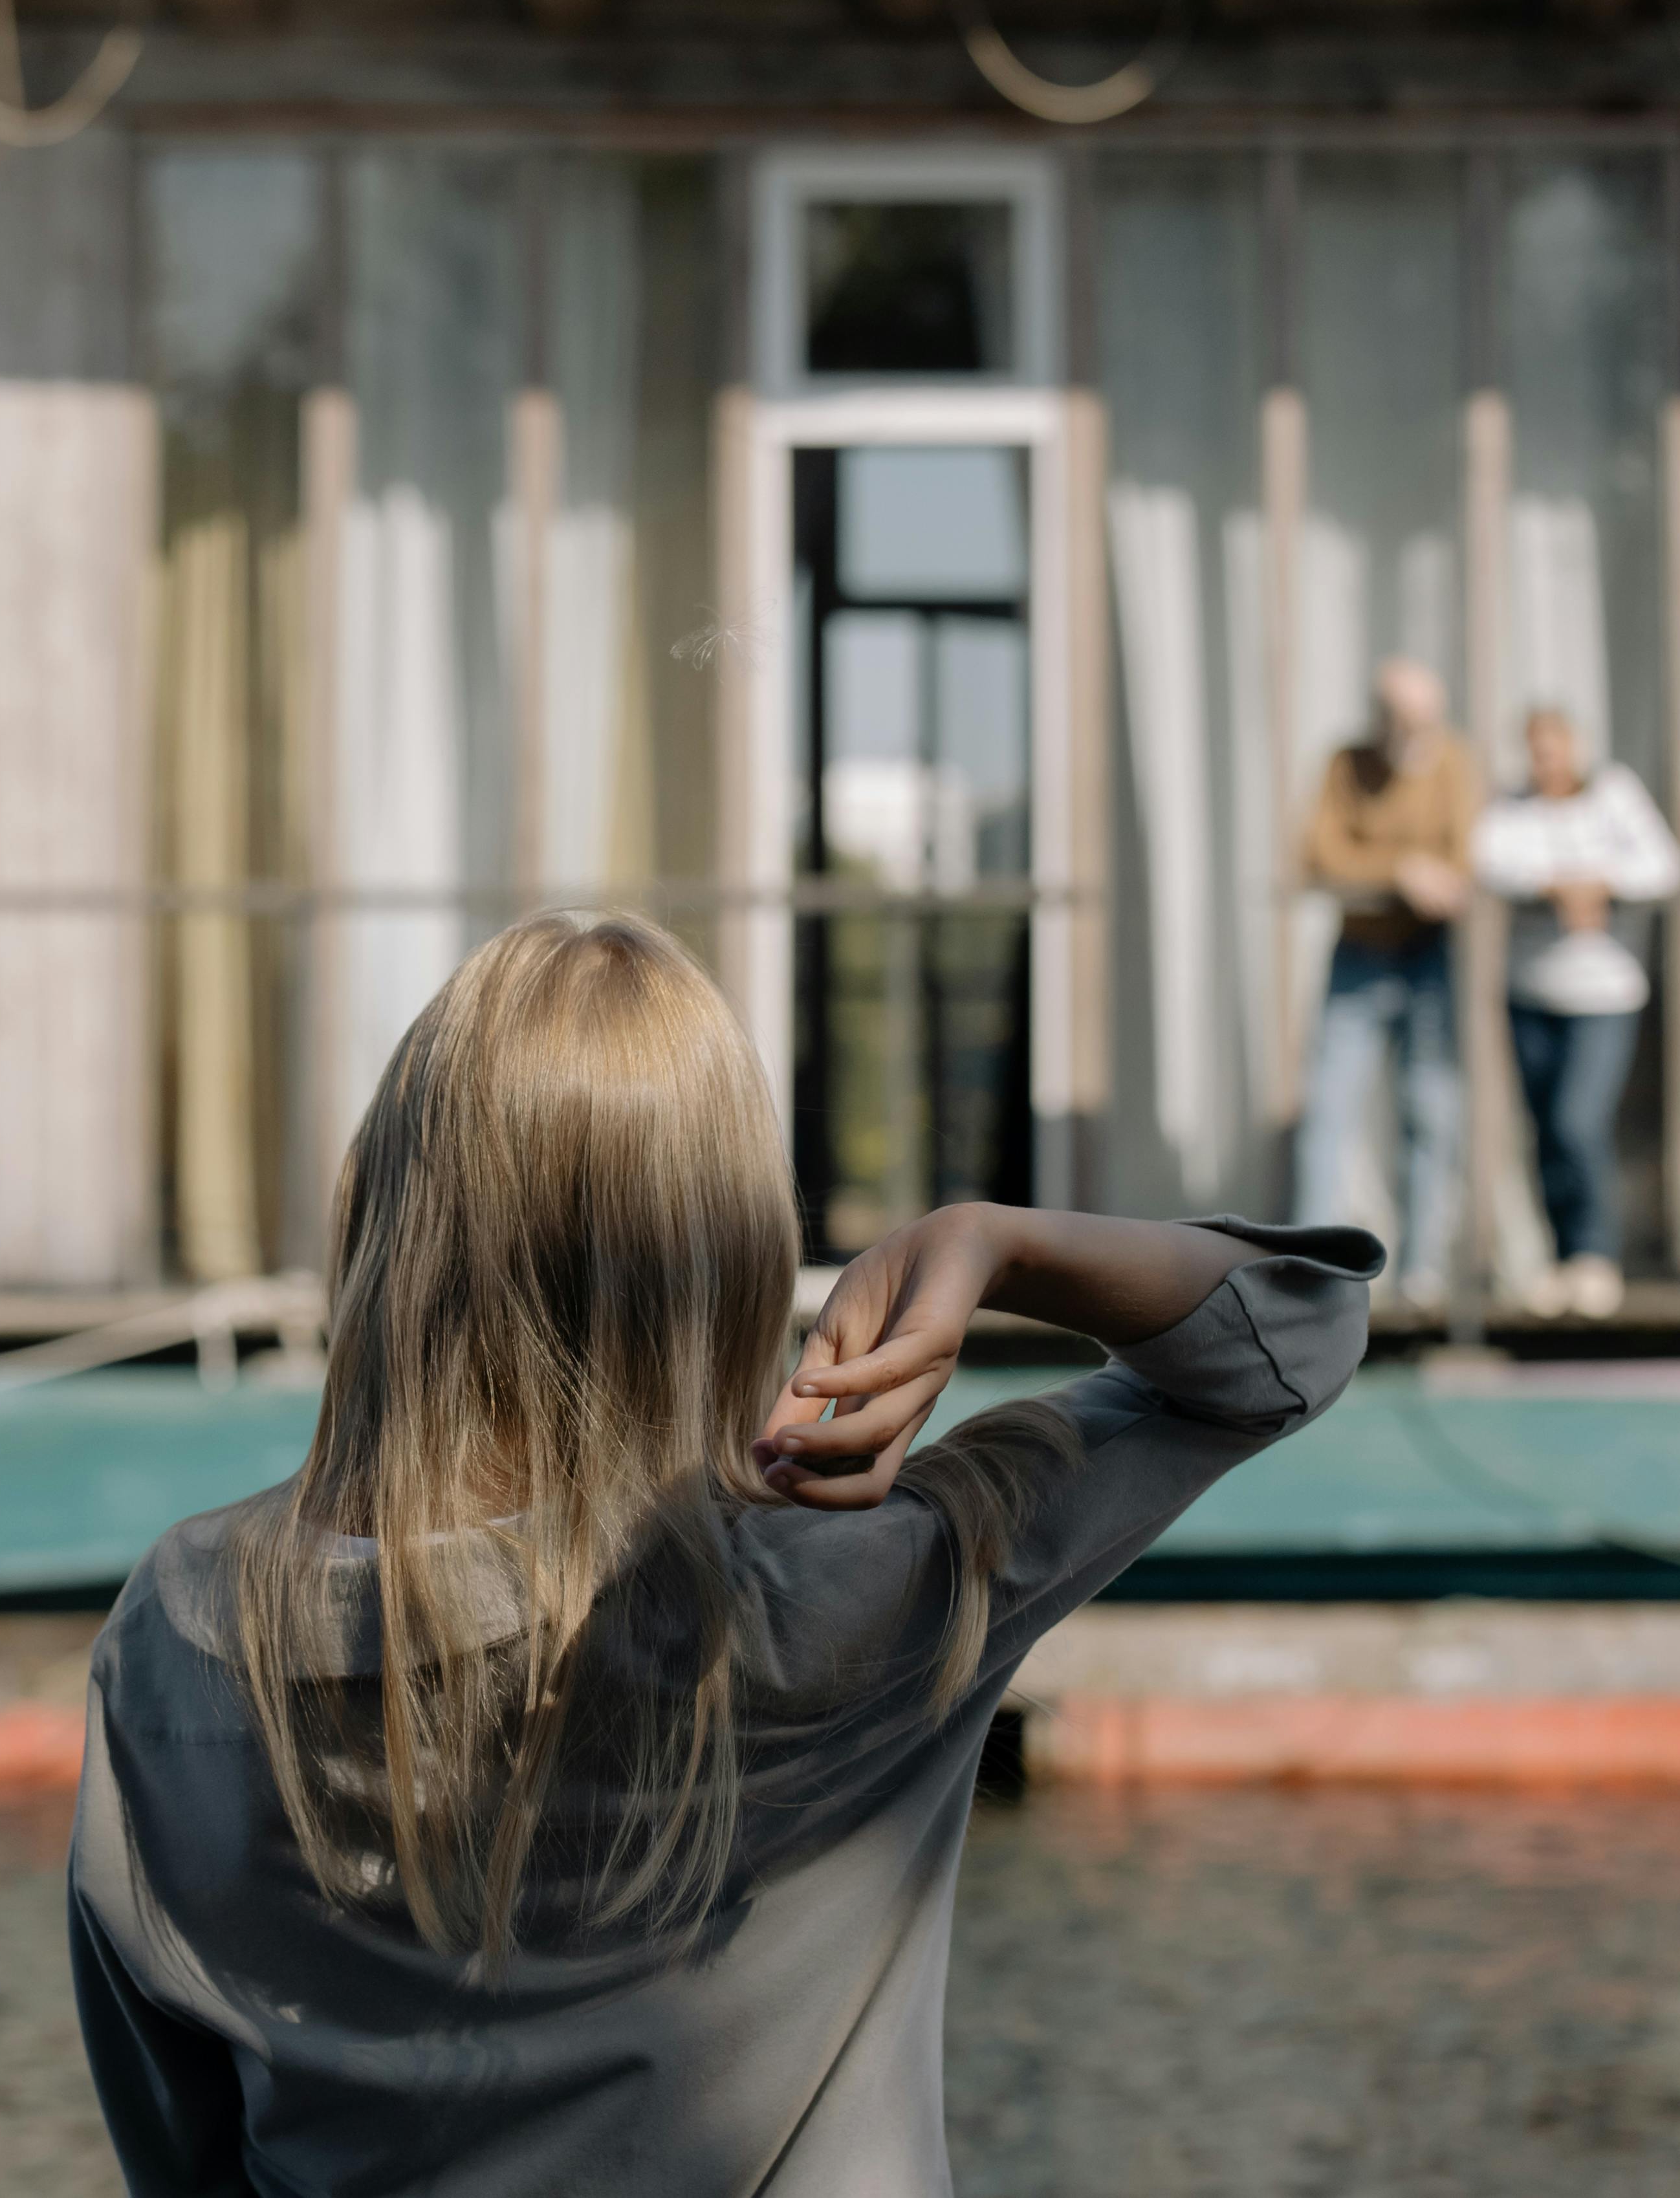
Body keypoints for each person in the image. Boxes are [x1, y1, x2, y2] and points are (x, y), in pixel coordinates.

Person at [69, 912, 1379, 2198]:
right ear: (735, 1253)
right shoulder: (837, 1598)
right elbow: (1292, 1342)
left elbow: (177, 2140)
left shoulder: (181, 1632)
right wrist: (996, 1243)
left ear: (397, 1224)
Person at [1474, 708, 1680, 1319]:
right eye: (1536, 752)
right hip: (1531, 992)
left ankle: (1595, 1254)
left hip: (1604, 993)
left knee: (1577, 1120)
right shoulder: (1512, 806)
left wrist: (1599, 885)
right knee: (1543, 1129)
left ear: (1576, 749)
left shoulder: (1615, 795)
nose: (1548, 763)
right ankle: (1561, 1257)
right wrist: (1553, 886)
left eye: (1556, 750)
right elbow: (1489, 859)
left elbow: (1664, 866)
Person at [1294, 657, 1478, 1311]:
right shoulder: (1345, 765)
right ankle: (1307, 1270)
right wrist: (1399, 869)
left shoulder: (1454, 762)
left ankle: (1423, 1269)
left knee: (1430, 1109)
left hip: (1430, 957)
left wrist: (1433, 875)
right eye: (1400, 718)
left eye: (1422, 718)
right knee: (1329, 1109)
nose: (1412, 731)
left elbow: (1466, 856)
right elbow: (1318, 852)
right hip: (1359, 952)